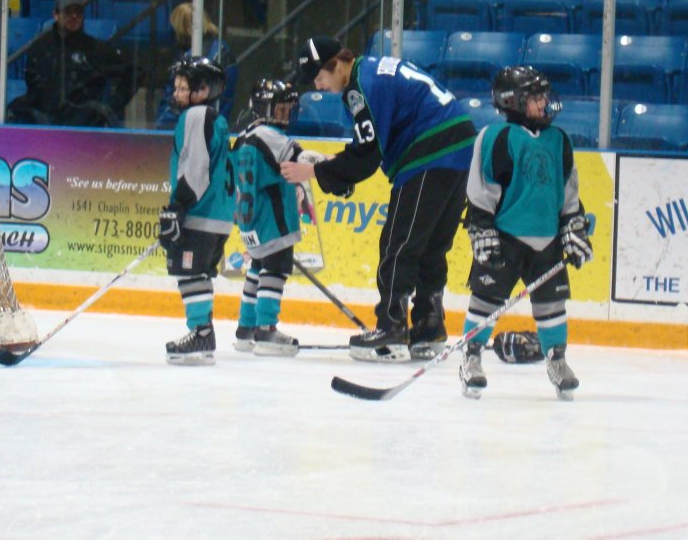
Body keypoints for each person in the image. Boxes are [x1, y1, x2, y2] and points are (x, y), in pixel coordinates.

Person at [280, 36, 477, 363]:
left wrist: (314, 172)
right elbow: (369, 146)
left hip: (430, 152)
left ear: (338, 64)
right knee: (429, 245)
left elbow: (367, 156)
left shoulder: (359, 88)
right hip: (460, 146)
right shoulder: (374, 69)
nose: (319, 86)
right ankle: (429, 325)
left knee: (398, 244)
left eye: (320, 77)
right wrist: (333, 164)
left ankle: (392, 328)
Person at [457, 66, 593, 401]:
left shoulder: (559, 140)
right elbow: (481, 188)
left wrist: (573, 227)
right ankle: (472, 355)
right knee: (486, 299)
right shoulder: (495, 137)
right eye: (535, 98)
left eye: (544, 96)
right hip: (505, 237)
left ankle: (556, 359)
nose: (544, 103)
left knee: (552, 304)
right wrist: (482, 228)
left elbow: (568, 193)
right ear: (511, 102)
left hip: (546, 239)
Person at [231, 78, 318, 357]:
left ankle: (246, 329)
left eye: (287, 109)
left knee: (257, 267)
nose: (285, 114)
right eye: (280, 109)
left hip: (251, 220)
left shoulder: (243, 136)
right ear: (263, 108)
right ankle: (266, 329)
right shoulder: (271, 136)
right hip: (273, 217)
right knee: (275, 269)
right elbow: (301, 159)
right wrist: (333, 162)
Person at [158, 56, 236, 365]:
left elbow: (195, 169)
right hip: (218, 217)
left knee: (189, 273)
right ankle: (202, 333)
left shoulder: (195, 116)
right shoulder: (216, 119)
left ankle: (201, 334)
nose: (176, 93)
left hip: (199, 214)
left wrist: (178, 207)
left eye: (182, 87)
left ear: (202, 90)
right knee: (198, 274)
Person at [7, 0, 137, 127]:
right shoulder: (40, 46)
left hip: (85, 123)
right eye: (68, 11)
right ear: (55, 15)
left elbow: (134, 71)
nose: (74, 16)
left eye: (78, 12)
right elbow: (33, 88)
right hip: (47, 121)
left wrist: (112, 104)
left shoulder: (95, 48)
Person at [155, 3, 236, 129]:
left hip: (194, 128)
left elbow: (175, 103)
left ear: (182, 28)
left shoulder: (194, 58)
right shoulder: (222, 50)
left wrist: (162, 126)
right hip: (214, 126)